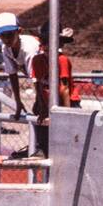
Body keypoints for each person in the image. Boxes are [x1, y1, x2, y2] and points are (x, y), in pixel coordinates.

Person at [30, 22, 79, 157]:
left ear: (59, 45)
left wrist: (66, 112)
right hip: (48, 100)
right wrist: (42, 107)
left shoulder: (62, 60)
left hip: (68, 101)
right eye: (44, 42)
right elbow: (39, 85)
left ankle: (70, 152)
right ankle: (42, 149)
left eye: (50, 42)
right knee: (40, 118)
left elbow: (64, 88)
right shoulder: (37, 60)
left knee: (68, 131)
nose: (46, 46)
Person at [0, 12, 39, 119]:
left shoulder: (29, 48)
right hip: (43, 85)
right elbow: (12, 74)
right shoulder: (6, 48)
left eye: (10, 34)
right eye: (2, 36)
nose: (6, 39)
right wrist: (18, 101)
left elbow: (36, 79)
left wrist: (39, 100)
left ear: (19, 31)